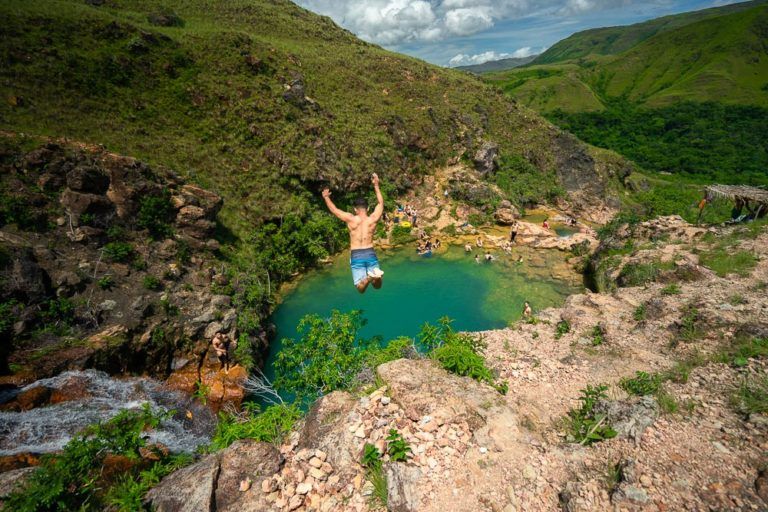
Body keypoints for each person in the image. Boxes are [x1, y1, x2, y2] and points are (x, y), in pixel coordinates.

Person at [322, 173, 384, 293]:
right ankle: (376, 276)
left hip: (356, 254)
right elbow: (381, 203)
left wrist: (326, 197)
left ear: (355, 209)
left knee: (360, 289)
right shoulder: (373, 218)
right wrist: (376, 185)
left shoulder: (351, 218)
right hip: (370, 252)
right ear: (368, 208)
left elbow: (334, 210)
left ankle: (368, 278)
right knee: (377, 286)